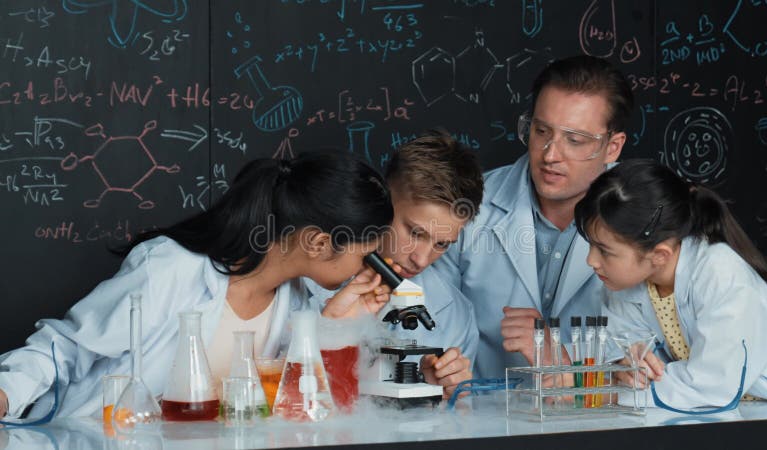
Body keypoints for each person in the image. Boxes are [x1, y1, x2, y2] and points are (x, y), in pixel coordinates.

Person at [0, 152, 395, 419]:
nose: (368, 268)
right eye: (366, 254)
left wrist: (333, 324)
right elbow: (66, 348)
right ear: (318, 242)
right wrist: (5, 393)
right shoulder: (172, 268)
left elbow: (301, 411)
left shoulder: (299, 303)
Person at [435, 55, 634, 378]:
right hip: (481, 416)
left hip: (600, 419)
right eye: (541, 131)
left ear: (613, 147)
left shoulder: (644, 218)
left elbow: (658, 353)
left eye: (575, 140)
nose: (550, 155)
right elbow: (429, 322)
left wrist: (561, 361)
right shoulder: (468, 207)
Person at [574, 159, 767, 407]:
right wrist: (626, 367)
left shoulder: (721, 274)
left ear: (659, 255)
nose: (590, 260)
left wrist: (611, 393)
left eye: (605, 251)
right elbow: (627, 350)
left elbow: (711, 385)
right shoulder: (627, 281)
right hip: (737, 413)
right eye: (591, 245)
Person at [309, 130, 484, 398]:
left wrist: (444, 392)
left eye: (442, 244)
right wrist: (331, 327)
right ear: (385, 199)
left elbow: (455, 428)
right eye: (415, 233)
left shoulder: (455, 315)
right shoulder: (308, 279)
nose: (421, 259)